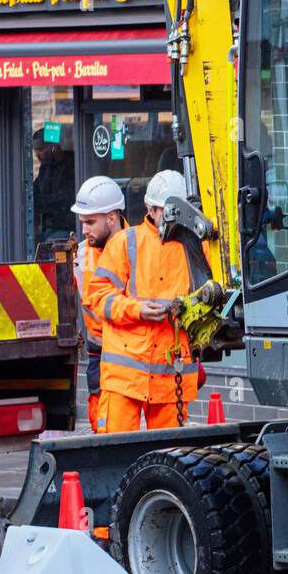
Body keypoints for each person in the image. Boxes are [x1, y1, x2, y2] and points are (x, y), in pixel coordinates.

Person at [86, 170, 212, 433]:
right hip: (125, 377)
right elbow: (99, 296)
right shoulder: (125, 243)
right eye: (163, 210)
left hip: (170, 375)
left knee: (169, 459)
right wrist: (137, 310)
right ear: (149, 208)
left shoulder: (197, 247)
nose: (170, 217)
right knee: (117, 454)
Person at [71, 175, 127, 433]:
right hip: (98, 353)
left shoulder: (140, 248)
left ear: (112, 217)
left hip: (132, 353)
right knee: (102, 424)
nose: (84, 230)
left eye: (90, 222)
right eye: (83, 222)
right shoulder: (81, 255)